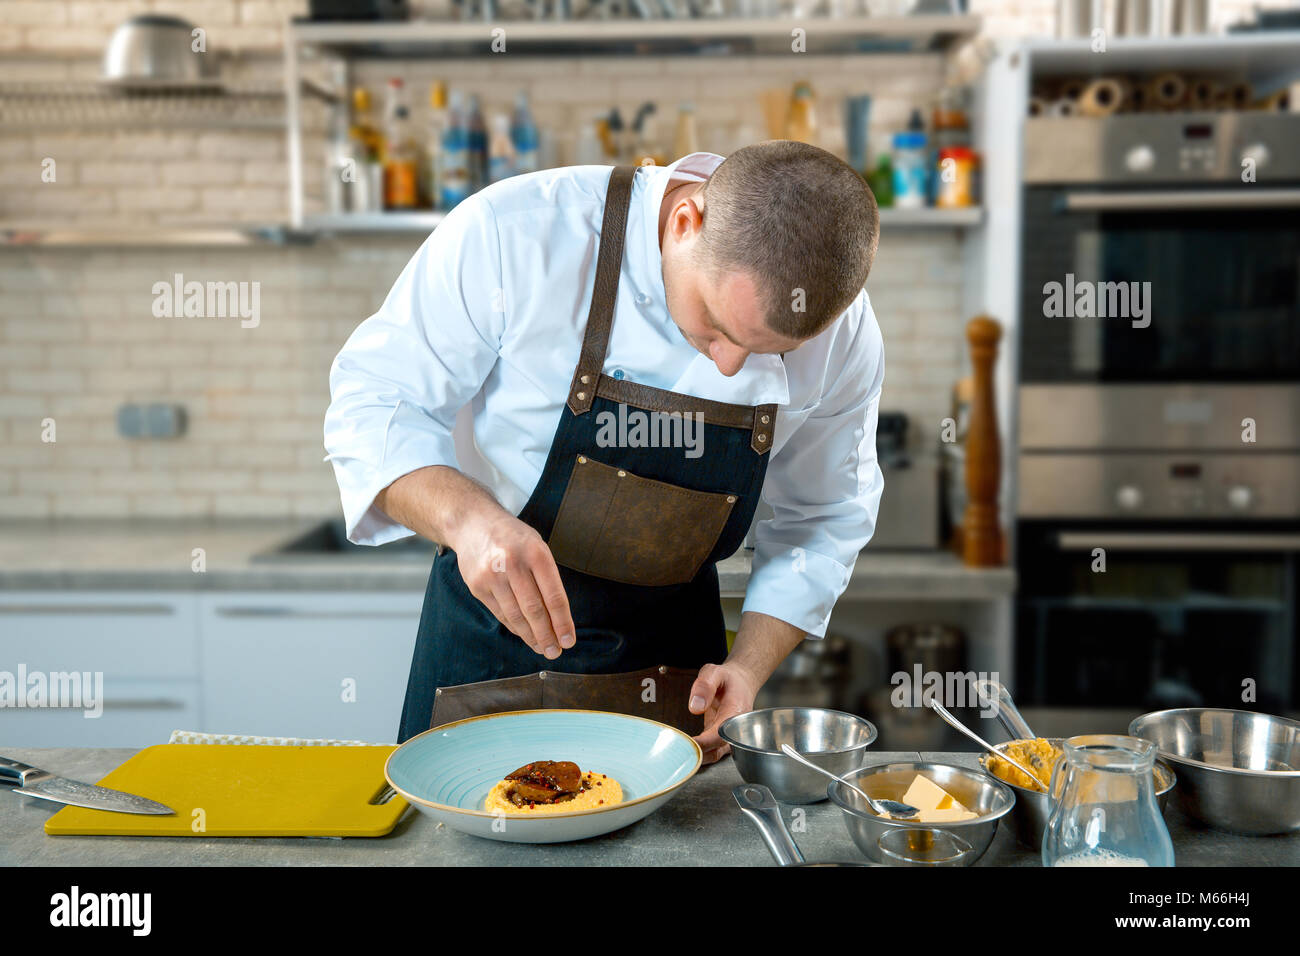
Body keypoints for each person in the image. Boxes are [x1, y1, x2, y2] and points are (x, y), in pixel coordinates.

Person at [324, 141, 884, 763]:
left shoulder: (845, 331)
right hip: (490, 648)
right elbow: (376, 402)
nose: (729, 367)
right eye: (718, 327)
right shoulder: (518, 234)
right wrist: (470, 522)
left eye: (769, 353)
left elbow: (823, 519)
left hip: (677, 679)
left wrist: (748, 668)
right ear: (683, 223)